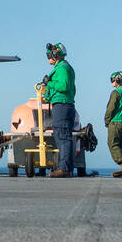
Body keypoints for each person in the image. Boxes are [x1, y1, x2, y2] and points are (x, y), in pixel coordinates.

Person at [39, 42, 76, 177]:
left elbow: (64, 86)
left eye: (50, 54)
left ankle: (64, 169)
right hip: (61, 104)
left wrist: (50, 82)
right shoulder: (62, 67)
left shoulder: (62, 68)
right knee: (62, 135)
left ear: (56, 54)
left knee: (63, 136)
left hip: (62, 105)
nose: (48, 56)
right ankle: (66, 168)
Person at [104, 71, 122, 178]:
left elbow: (111, 108)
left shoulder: (116, 92)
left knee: (113, 143)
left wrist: (107, 120)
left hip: (116, 122)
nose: (112, 82)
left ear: (116, 80)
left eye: (112, 80)